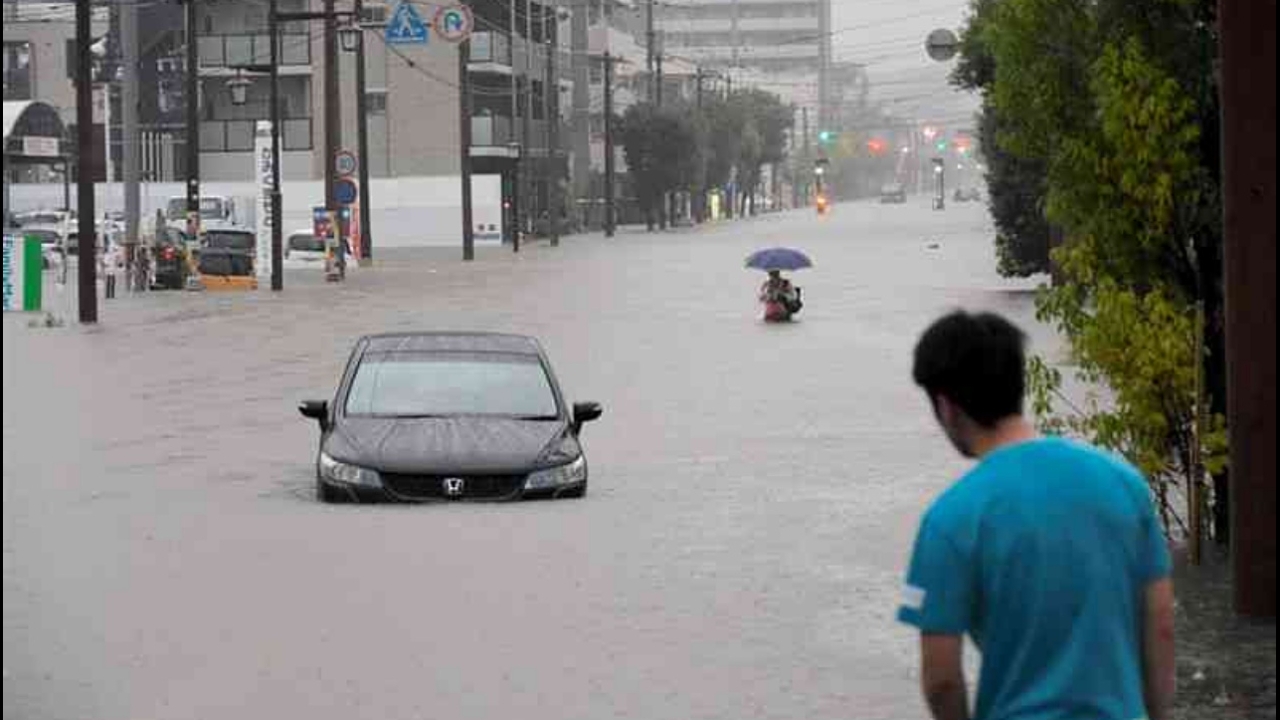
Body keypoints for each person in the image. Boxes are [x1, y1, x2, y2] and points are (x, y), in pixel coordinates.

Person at [900, 310, 1176, 720]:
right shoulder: (1124, 484)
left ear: (946, 406)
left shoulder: (950, 518)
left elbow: (941, 679)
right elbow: (1161, 624)